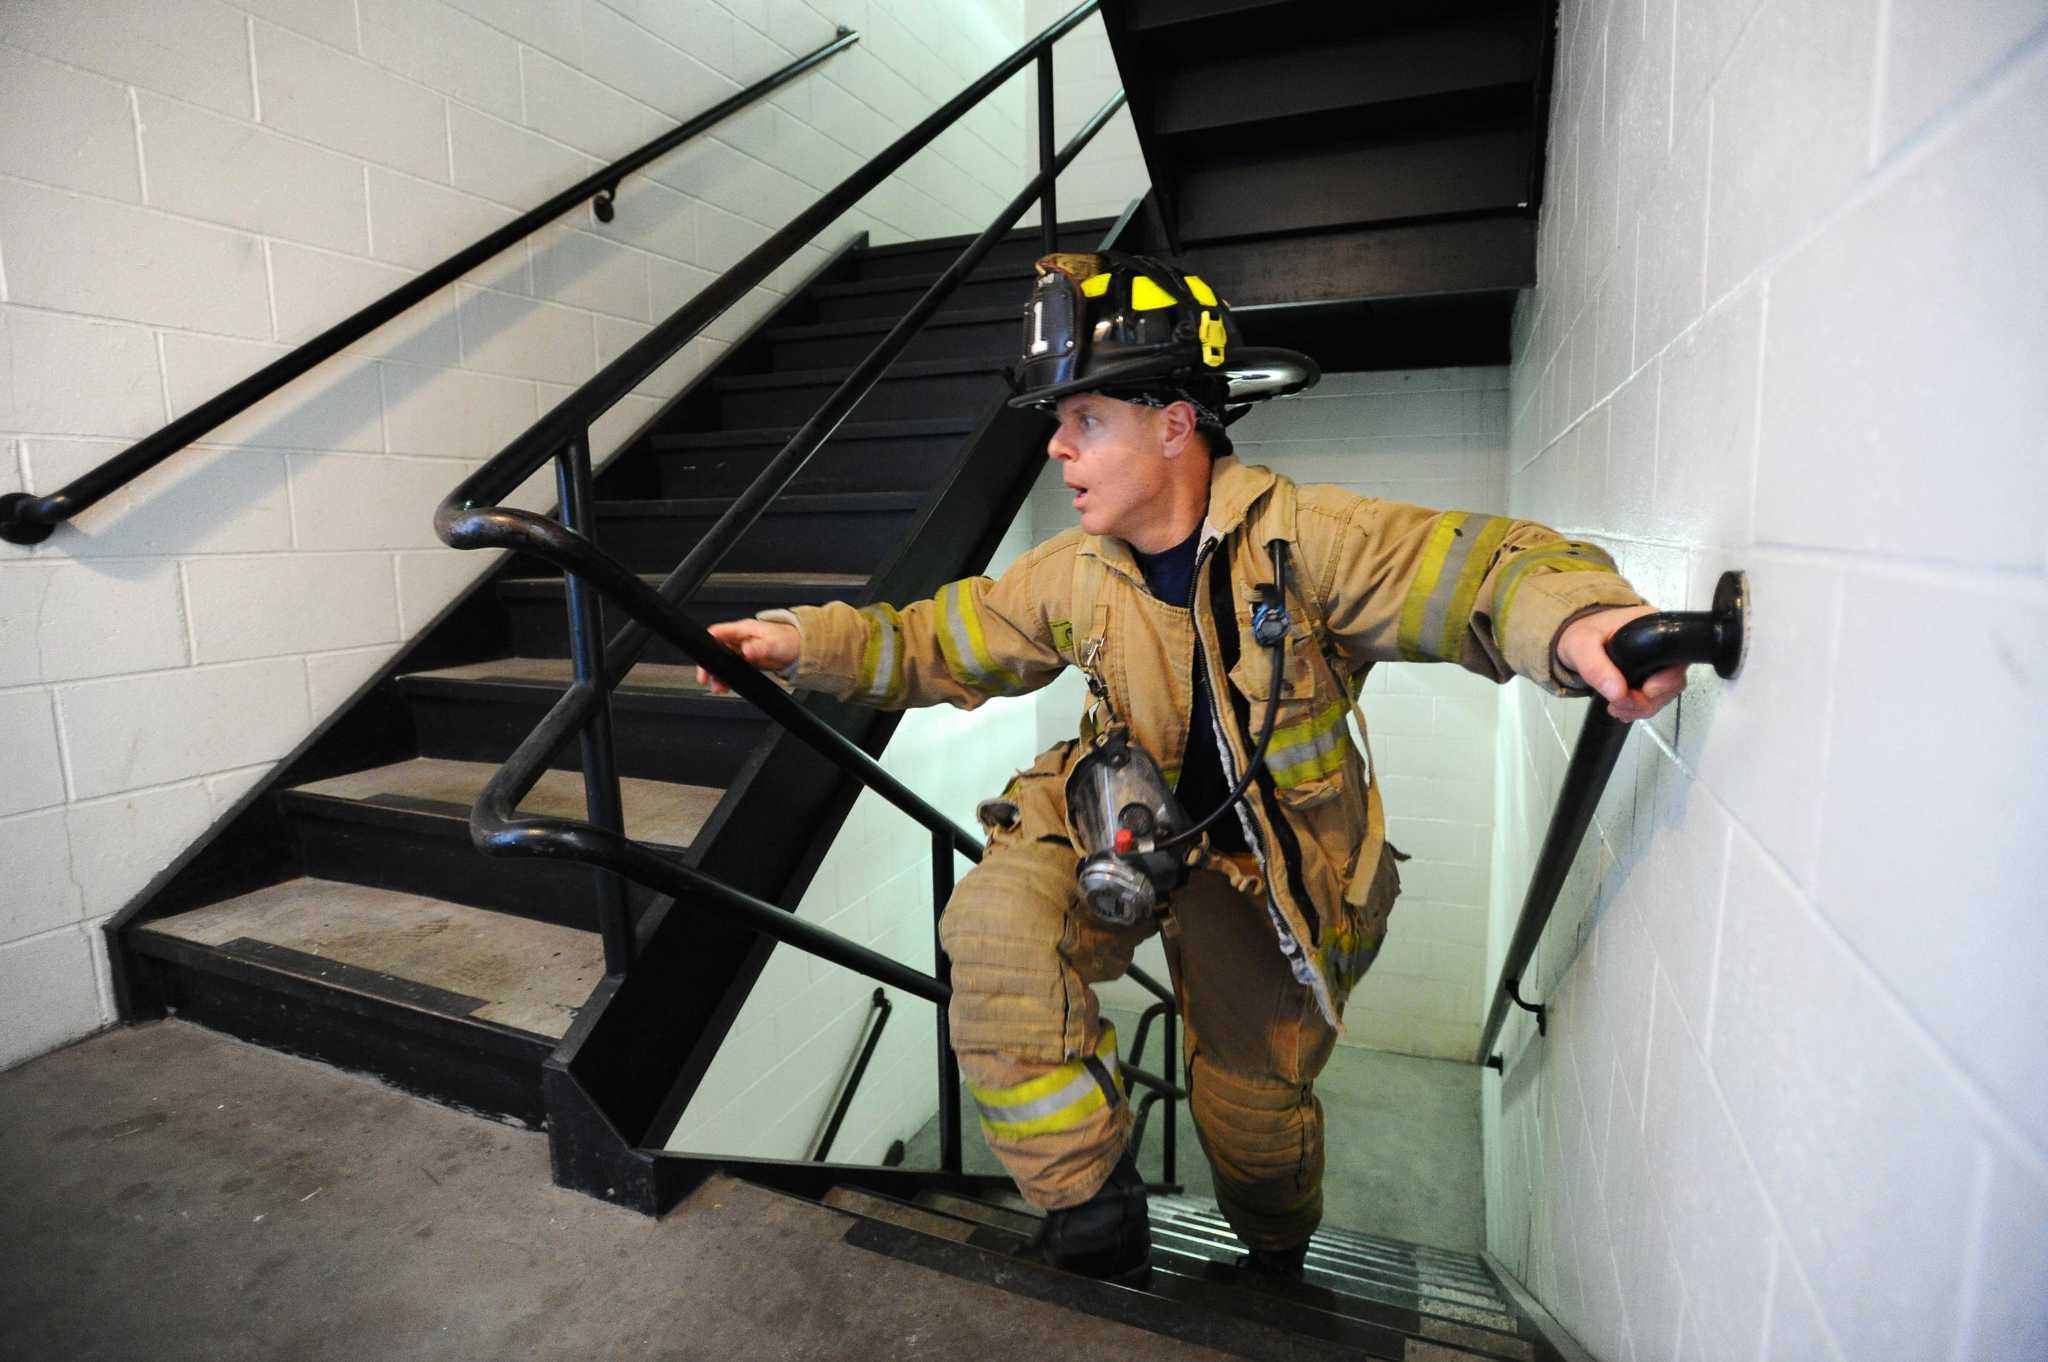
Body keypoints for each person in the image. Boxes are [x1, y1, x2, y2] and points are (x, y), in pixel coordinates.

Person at [696, 252, 1684, 1280]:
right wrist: (798, 643)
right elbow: (937, 638)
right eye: (1058, 421)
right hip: (1108, 807)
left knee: (1251, 1112)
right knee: (994, 935)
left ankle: (1274, 1264)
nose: (1056, 446)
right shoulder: (1072, 571)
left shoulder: (1309, 543)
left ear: (1174, 424)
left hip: (1269, 869)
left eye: (1086, 420)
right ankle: (1091, 1210)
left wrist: (1582, 623)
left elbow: (1488, 568)